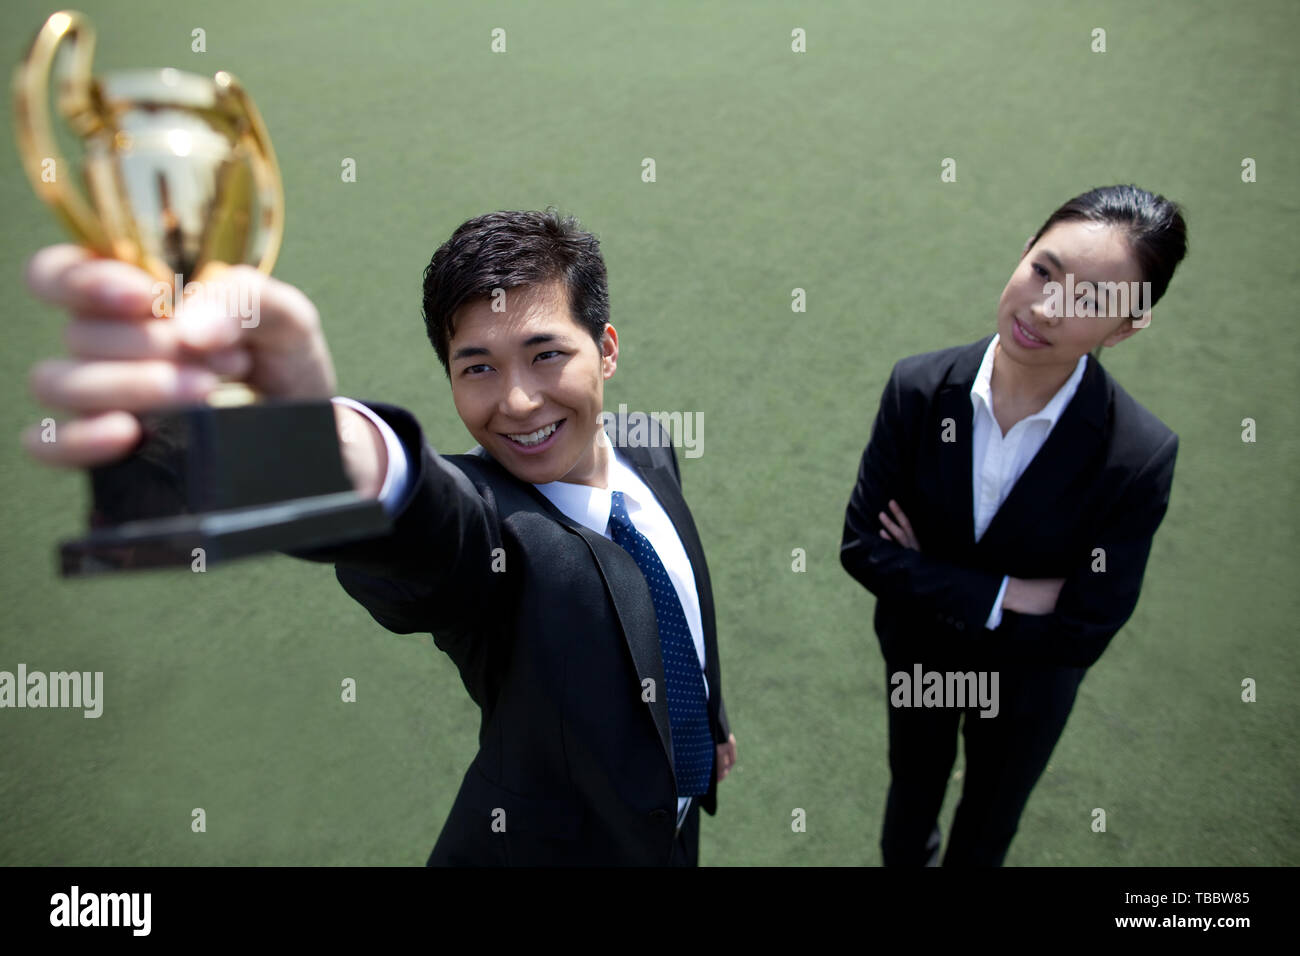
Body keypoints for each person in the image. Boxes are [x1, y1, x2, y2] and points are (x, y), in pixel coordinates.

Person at [21, 208, 737, 866]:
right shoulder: (493, 530)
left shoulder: (649, 448)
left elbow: (679, 593)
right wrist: (306, 449)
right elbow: (423, 526)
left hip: (676, 827)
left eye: (546, 354)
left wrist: (708, 721)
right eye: (478, 367)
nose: (517, 401)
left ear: (606, 350)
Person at [840, 184, 1187, 866]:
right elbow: (862, 550)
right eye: (1044, 271)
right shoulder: (918, 389)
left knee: (989, 823)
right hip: (918, 657)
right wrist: (1011, 594)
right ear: (1023, 251)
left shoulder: (1137, 455)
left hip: (1030, 688)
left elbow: (1086, 626)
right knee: (910, 796)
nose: (1045, 309)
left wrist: (927, 574)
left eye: (1091, 302)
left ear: (1126, 327)